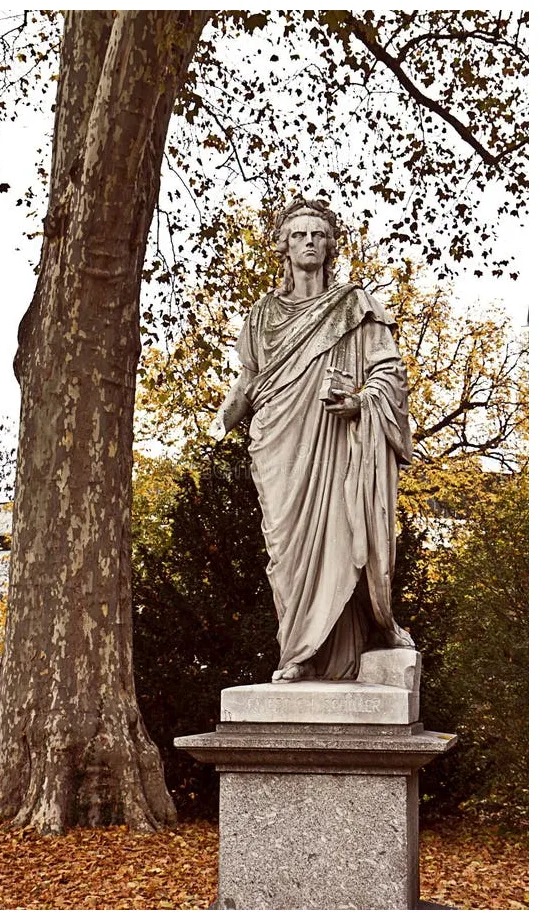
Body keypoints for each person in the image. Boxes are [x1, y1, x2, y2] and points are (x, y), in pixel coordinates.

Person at [209, 197, 414, 683]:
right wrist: (221, 423)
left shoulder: (354, 307)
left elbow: (390, 371)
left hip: (334, 442)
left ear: (329, 246)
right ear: (284, 246)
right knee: (287, 552)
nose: (308, 242)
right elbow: (249, 380)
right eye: (299, 235)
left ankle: (307, 653)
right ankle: (298, 646)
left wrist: (361, 401)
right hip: (278, 444)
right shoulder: (262, 315)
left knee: (338, 538)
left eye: (317, 235)